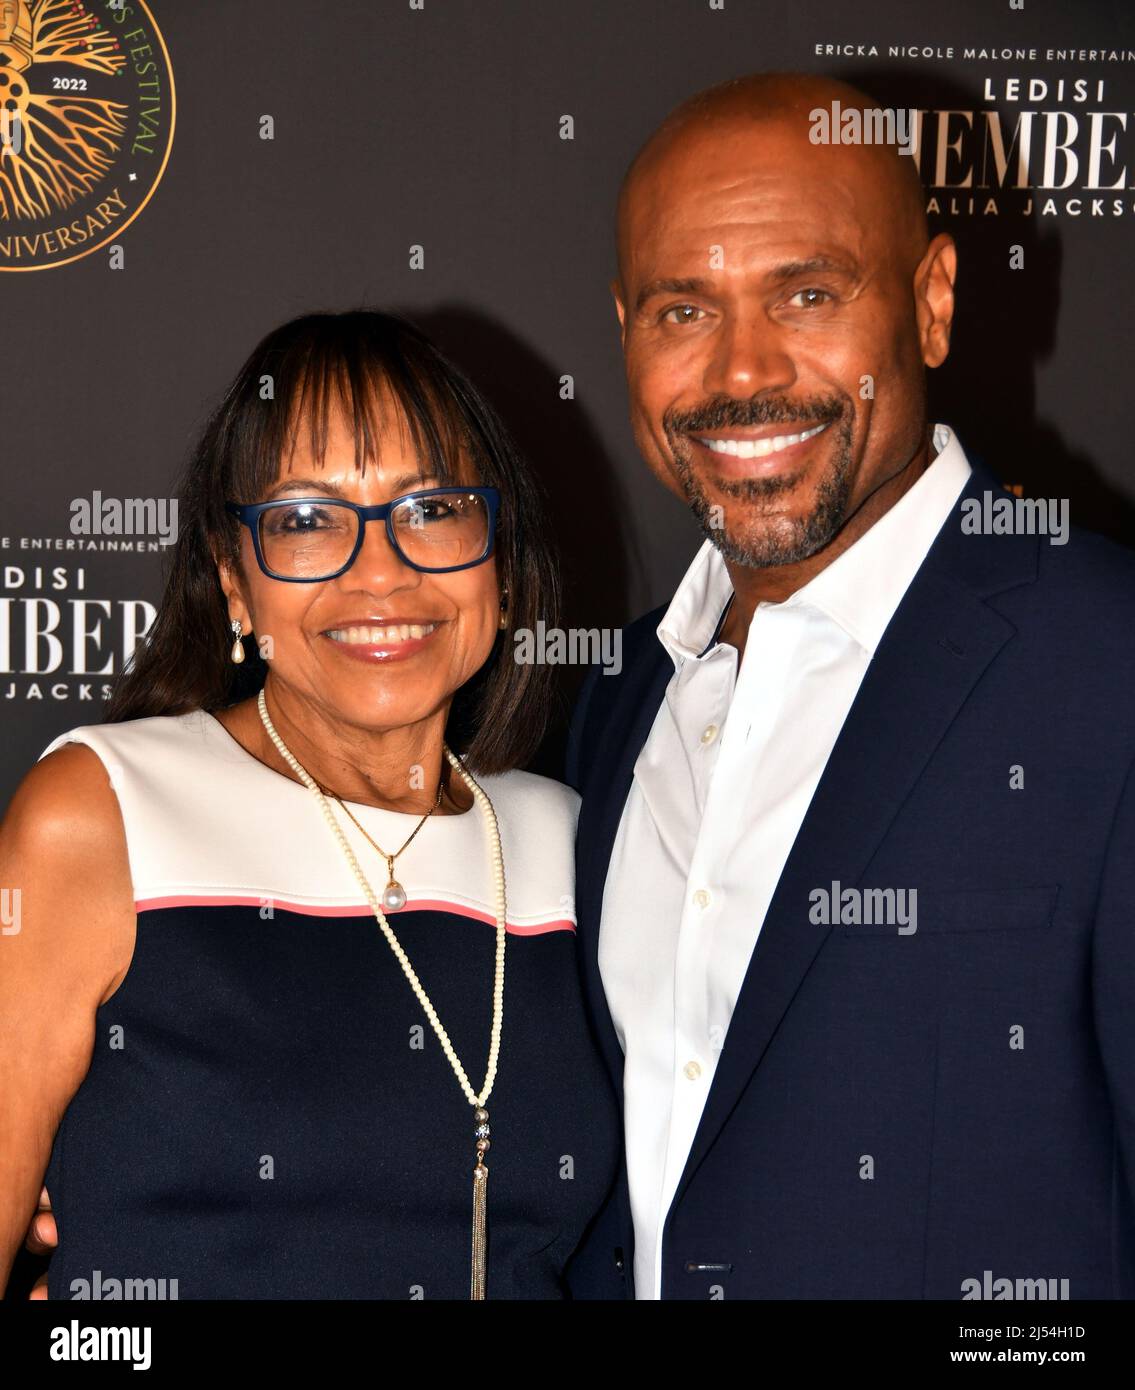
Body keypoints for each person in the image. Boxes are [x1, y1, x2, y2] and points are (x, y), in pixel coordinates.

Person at [564, 72, 1135, 1300]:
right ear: (622, 329)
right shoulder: (606, 706)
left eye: (806, 294)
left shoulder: (1108, 662)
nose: (742, 371)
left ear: (931, 304)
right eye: (681, 311)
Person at [0, 309, 621, 1300]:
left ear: (498, 559)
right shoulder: (102, 815)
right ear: (232, 580)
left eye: (430, 509)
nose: (380, 570)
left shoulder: (574, 843)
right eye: (304, 519)